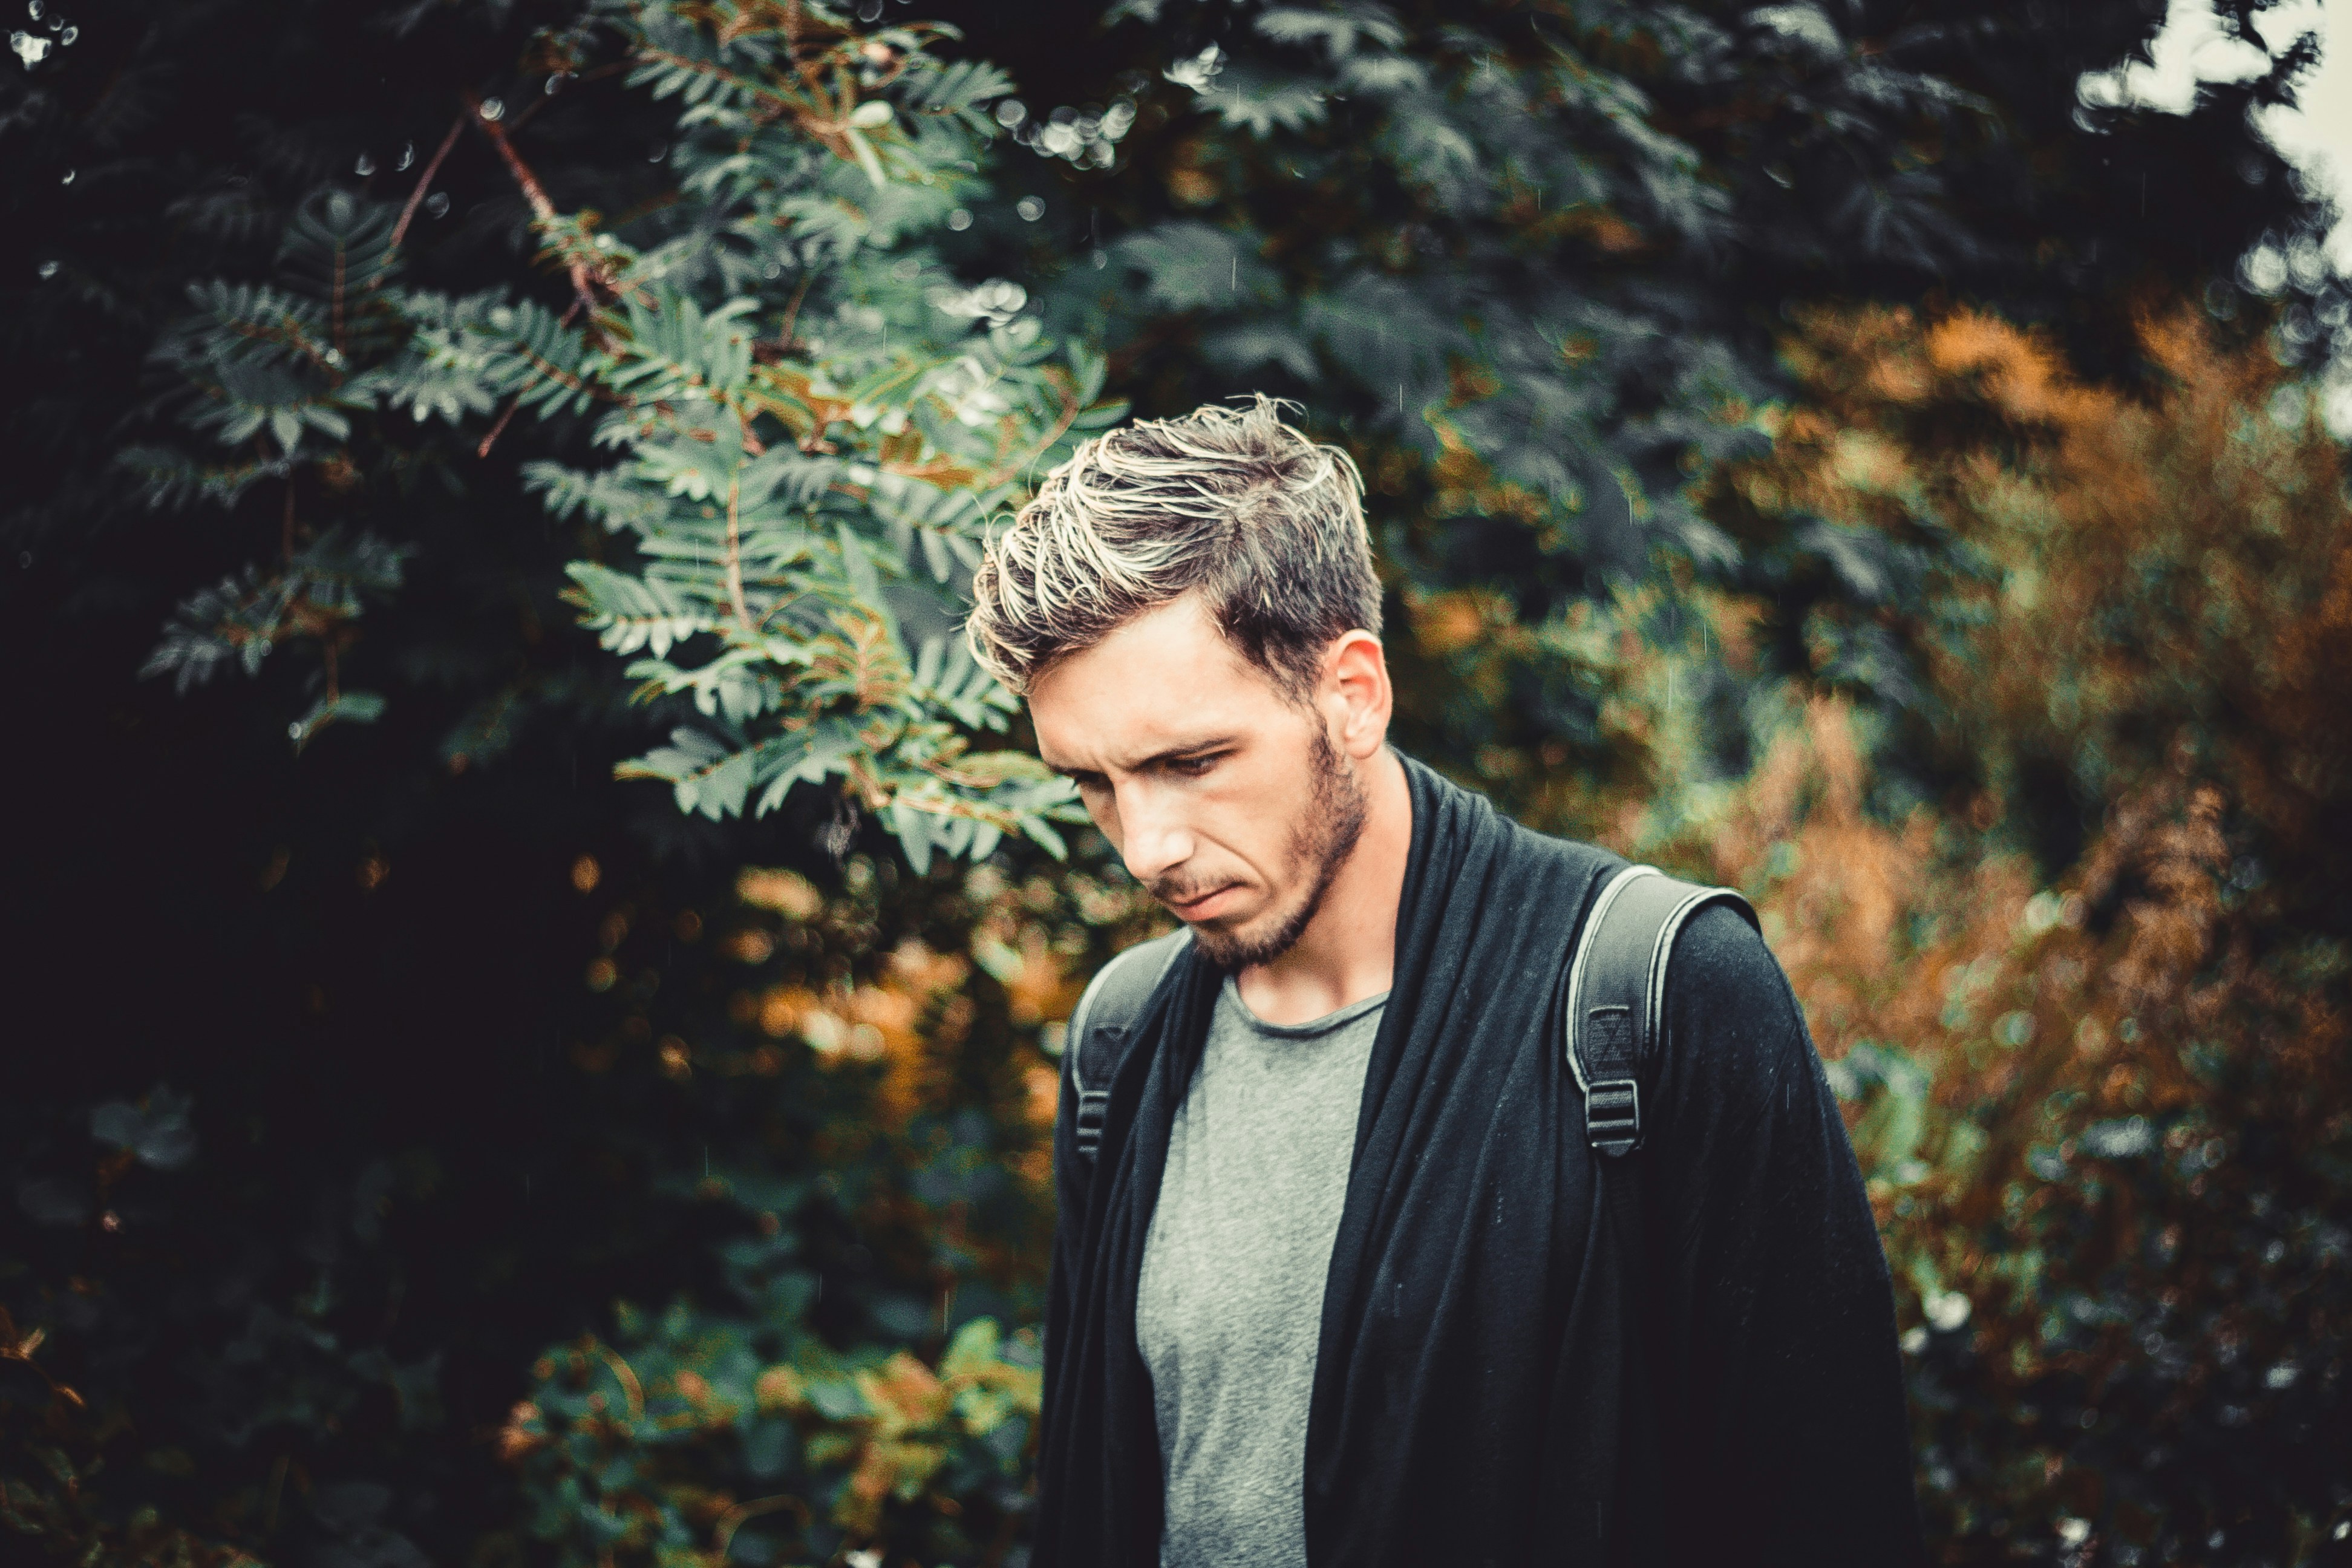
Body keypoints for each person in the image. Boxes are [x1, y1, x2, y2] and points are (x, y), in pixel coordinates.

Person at [963, 396, 1924, 1568]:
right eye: (1095, 785)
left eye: (1193, 762)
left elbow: (1830, 1513)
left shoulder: (1655, 994)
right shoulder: (1123, 1044)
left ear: (1352, 695)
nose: (1146, 845)